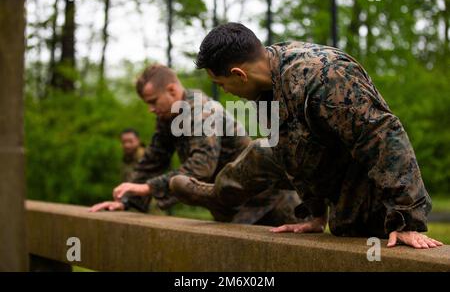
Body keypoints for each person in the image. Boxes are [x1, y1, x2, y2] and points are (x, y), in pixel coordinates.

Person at [170, 22, 443, 249]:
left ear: (239, 74)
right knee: (264, 150)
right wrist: (314, 212)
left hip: (365, 183)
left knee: (355, 233)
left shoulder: (325, 78)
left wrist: (407, 219)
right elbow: (292, 150)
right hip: (328, 163)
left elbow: (384, 137)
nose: (224, 92)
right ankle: (219, 194)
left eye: (221, 84)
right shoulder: (264, 85)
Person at [90, 64, 301, 226]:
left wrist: (148, 188)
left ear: (172, 90)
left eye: (153, 101)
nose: (151, 109)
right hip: (235, 202)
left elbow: (201, 166)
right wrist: (127, 200)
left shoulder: (201, 111)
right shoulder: (168, 116)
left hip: (272, 199)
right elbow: (153, 160)